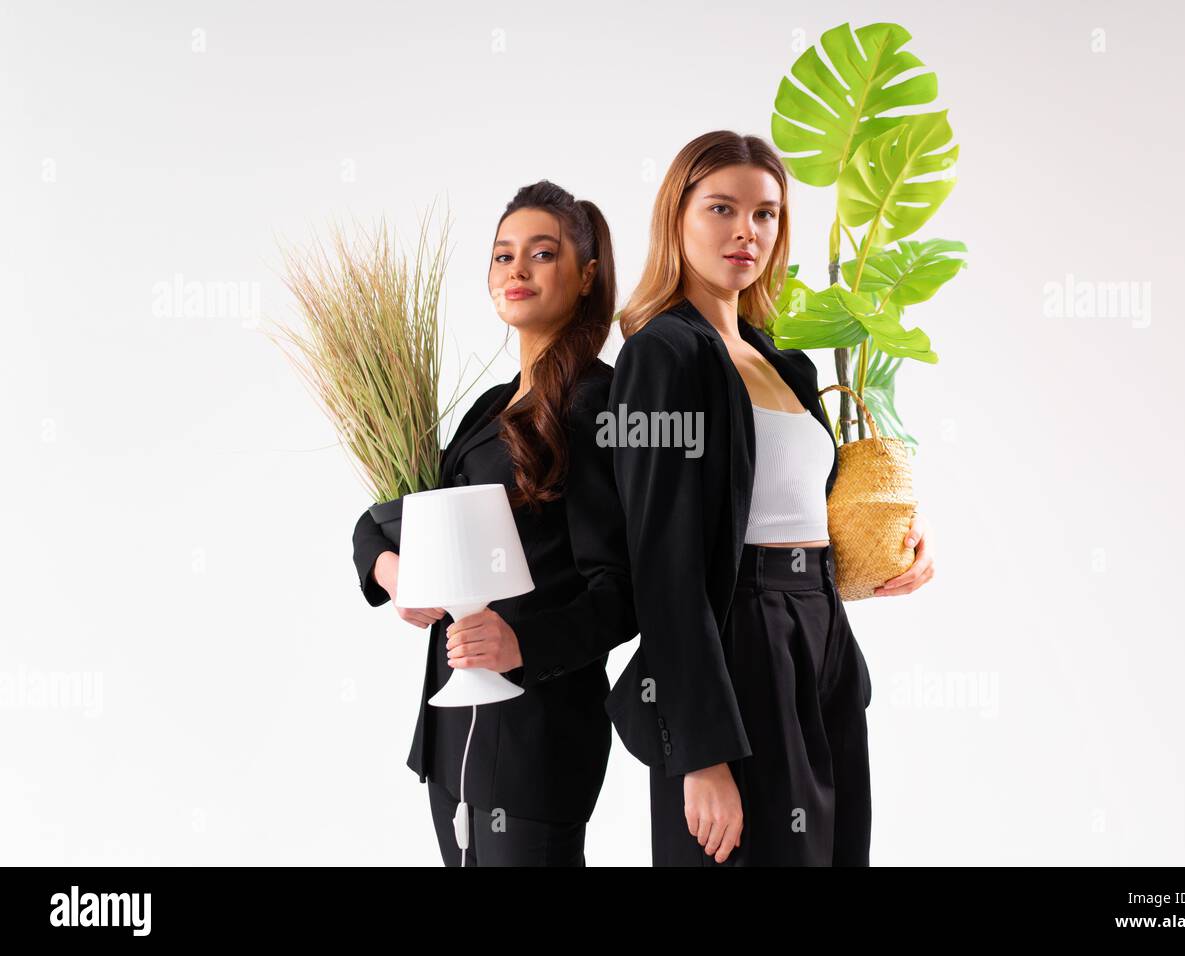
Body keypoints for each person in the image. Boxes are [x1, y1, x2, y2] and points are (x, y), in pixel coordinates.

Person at [606, 131, 935, 866]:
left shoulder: (785, 361)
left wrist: (898, 548)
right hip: (735, 649)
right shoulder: (661, 356)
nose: (746, 232)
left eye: (766, 214)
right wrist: (700, 753)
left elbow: (798, 508)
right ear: (677, 216)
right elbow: (664, 561)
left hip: (818, 637)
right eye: (722, 208)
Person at [351, 180, 637, 866]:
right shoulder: (489, 407)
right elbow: (386, 519)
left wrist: (522, 643)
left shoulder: (602, 405)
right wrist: (393, 571)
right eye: (503, 255)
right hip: (452, 738)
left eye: (542, 253)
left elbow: (624, 590)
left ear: (587, 274)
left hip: (539, 738)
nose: (517, 269)